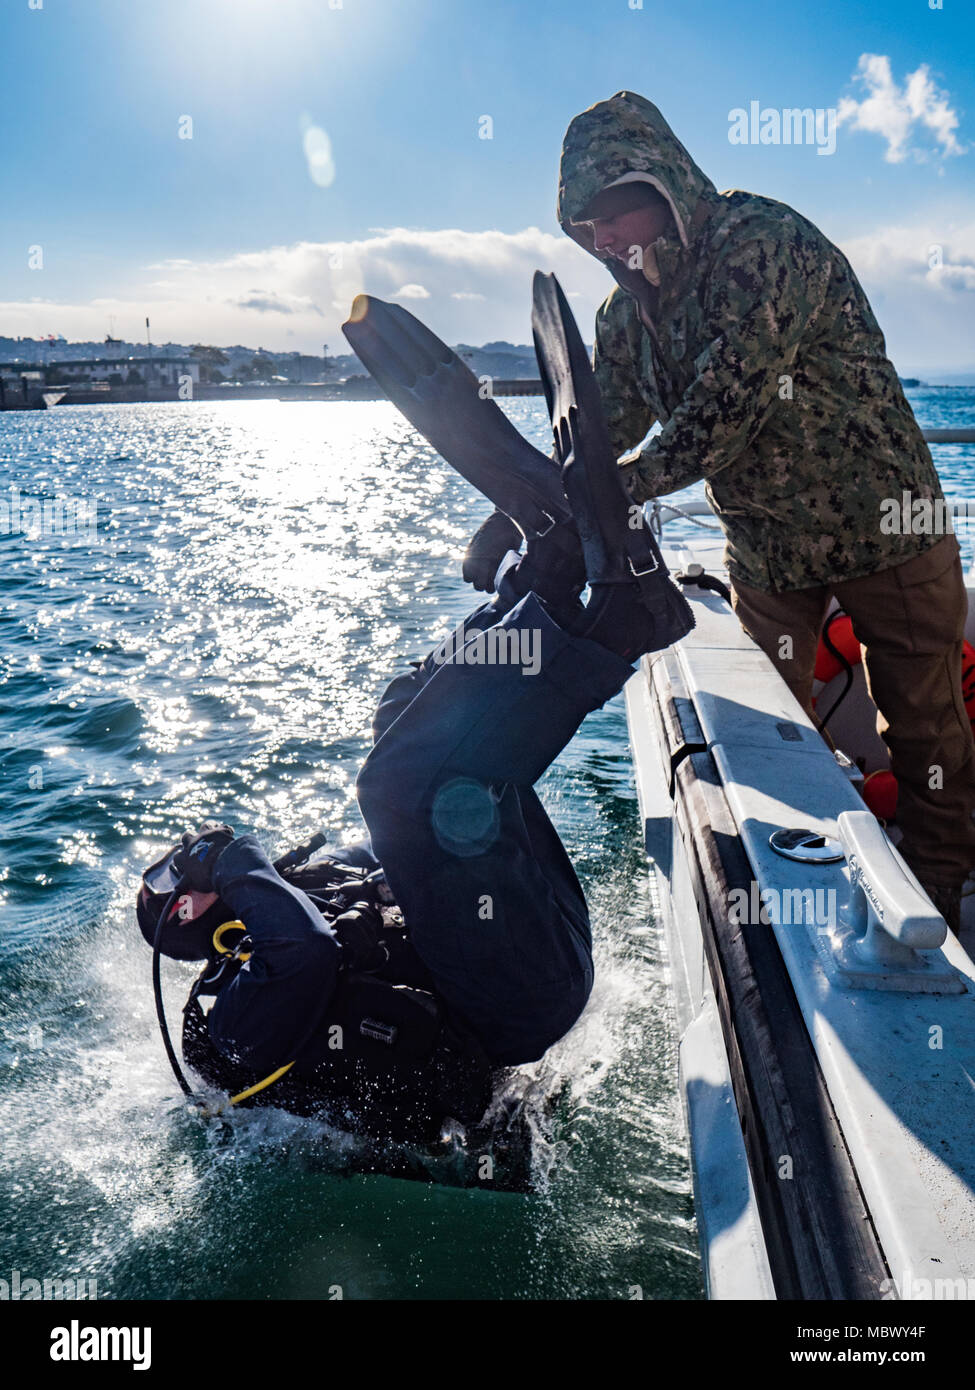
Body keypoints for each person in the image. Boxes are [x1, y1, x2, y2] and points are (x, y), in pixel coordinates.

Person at [469, 90, 974, 929]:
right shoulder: (624, 312)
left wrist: (613, 490)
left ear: (659, 187)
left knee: (926, 732)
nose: (600, 239)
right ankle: (796, 905)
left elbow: (721, 411)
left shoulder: (759, 246)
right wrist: (531, 499)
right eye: (583, 226)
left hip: (885, 529)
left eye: (608, 214)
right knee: (770, 732)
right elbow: (612, 423)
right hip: (770, 548)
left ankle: (933, 910)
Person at [145, 382, 689, 1132]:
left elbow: (426, 844)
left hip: (534, 944)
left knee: (407, 727)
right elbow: (301, 954)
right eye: (175, 876)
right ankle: (616, 629)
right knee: (395, 790)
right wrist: (231, 857)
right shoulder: (231, 1016)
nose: (188, 856)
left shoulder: (304, 887)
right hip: (519, 1002)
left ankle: (547, 588)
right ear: (183, 915)